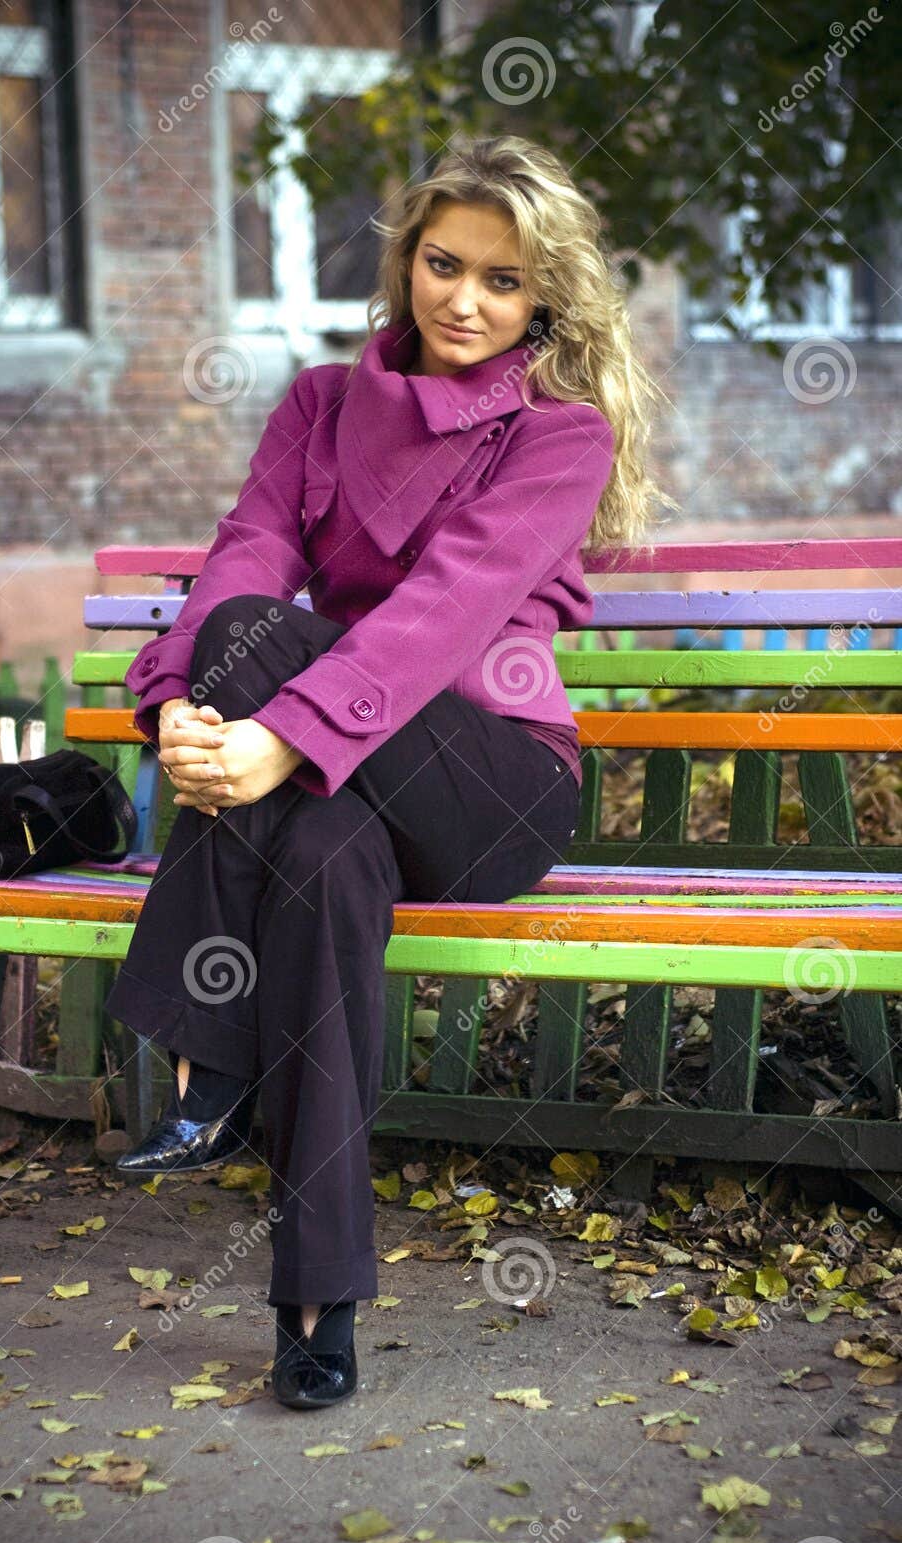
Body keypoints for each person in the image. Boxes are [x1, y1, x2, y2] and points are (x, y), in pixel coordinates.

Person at [103, 133, 671, 1410]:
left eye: (503, 280)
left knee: (263, 640)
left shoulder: (557, 435)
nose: (463, 300)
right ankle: (318, 1308)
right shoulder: (317, 405)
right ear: (406, 259)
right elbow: (246, 551)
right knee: (314, 851)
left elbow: (439, 616)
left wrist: (272, 735)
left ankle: (208, 1050)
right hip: (334, 781)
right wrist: (183, 712)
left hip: (489, 786)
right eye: (442, 263)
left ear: (544, 299)